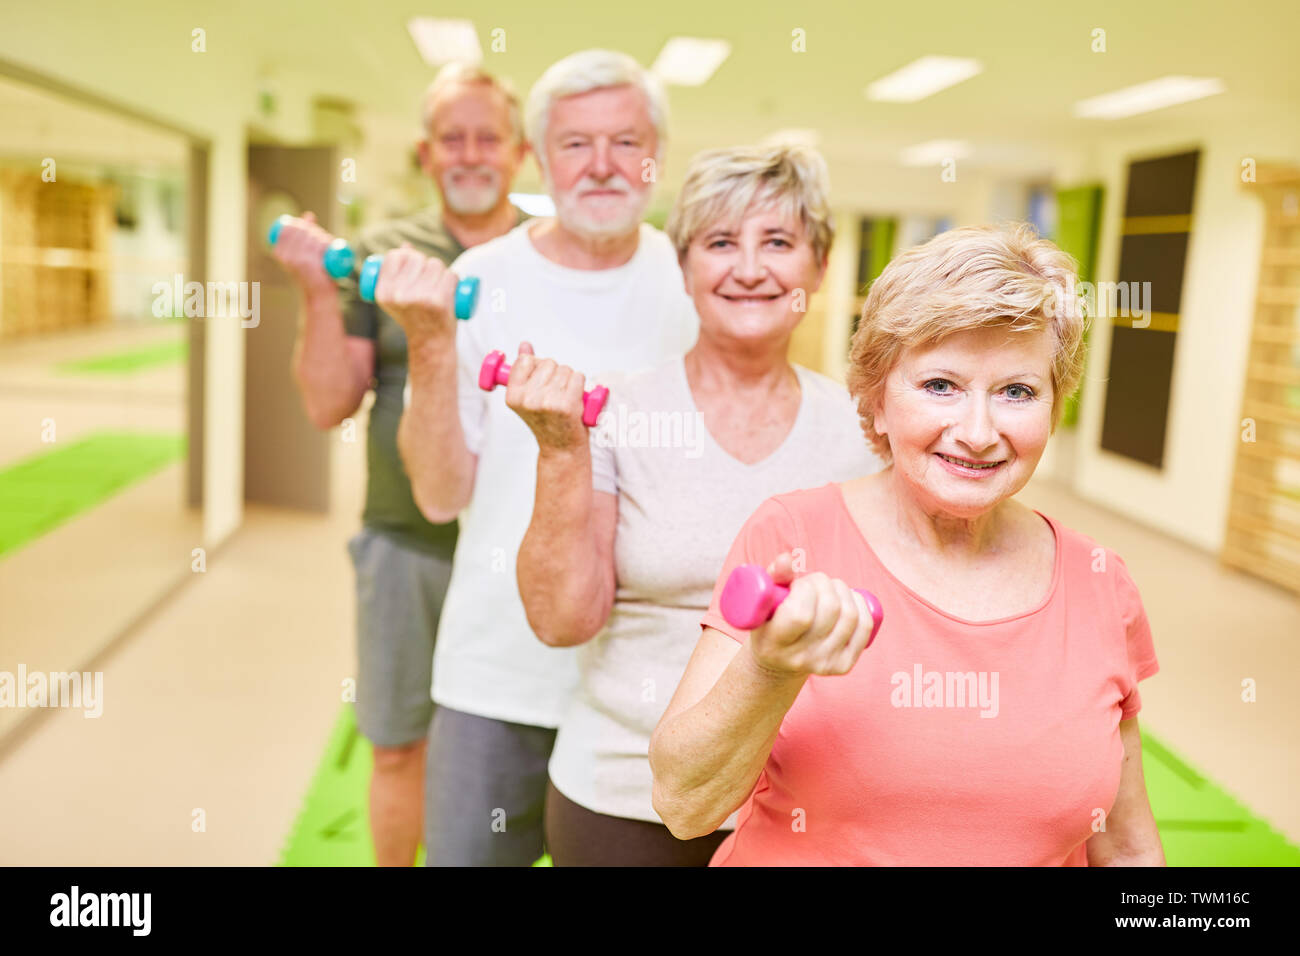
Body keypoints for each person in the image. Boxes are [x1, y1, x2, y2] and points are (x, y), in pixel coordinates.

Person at [650, 222, 1165, 866]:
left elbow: (1125, 848)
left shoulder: (1100, 581)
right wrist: (771, 669)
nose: (977, 433)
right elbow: (683, 802)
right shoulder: (792, 537)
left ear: (1054, 409)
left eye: (1017, 392)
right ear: (876, 402)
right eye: (940, 385)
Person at [503, 143, 884, 865]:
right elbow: (560, 621)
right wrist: (560, 450)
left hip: (807, 803)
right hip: (623, 791)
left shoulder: (864, 432)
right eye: (719, 243)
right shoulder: (614, 410)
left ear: (819, 266)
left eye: (777, 241)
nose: (748, 268)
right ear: (683, 269)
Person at [376, 49, 698, 866]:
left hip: (646, 688)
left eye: (626, 142)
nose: (600, 166)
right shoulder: (480, 277)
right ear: (541, 157)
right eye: (575, 144)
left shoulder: (694, 281)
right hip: (496, 678)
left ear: (657, 155)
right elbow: (441, 494)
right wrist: (427, 340)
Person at [269, 63, 526, 866]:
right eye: (453, 138)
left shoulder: (550, 257)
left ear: (520, 152)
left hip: (523, 555)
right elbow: (325, 405)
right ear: (426, 153)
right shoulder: (380, 253)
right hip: (405, 543)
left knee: (513, 748)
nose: (471, 154)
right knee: (397, 746)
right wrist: (317, 290)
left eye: (489, 137)